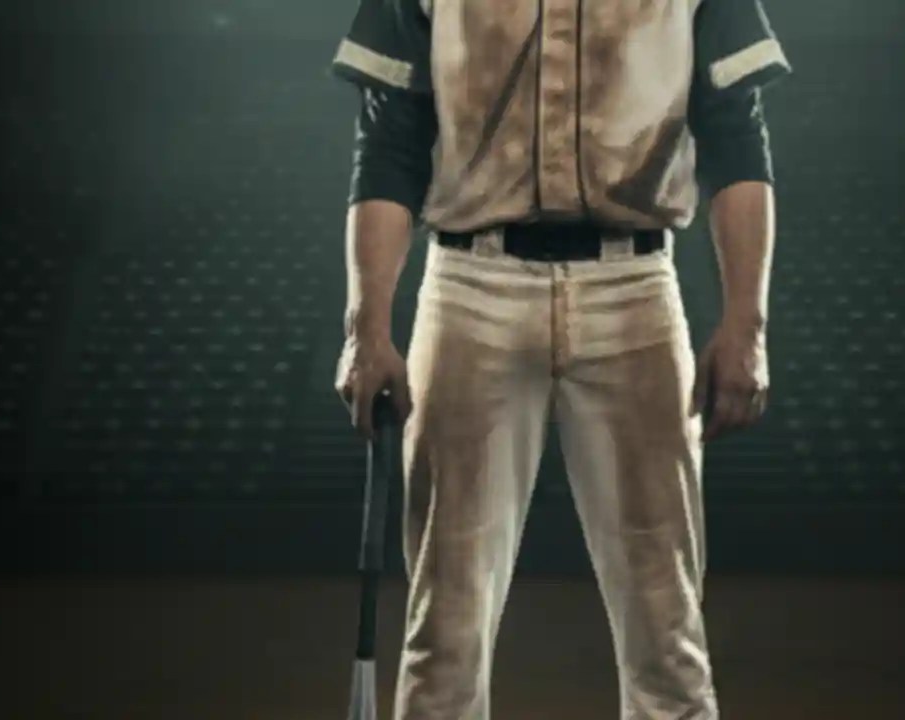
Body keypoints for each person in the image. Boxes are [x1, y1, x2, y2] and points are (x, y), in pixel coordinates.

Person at [331, 1, 790, 717]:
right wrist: (367, 326)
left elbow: (737, 140)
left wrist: (746, 323)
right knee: (444, 633)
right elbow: (389, 142)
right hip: (469, 286)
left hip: (634, 286)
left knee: (667, 630)